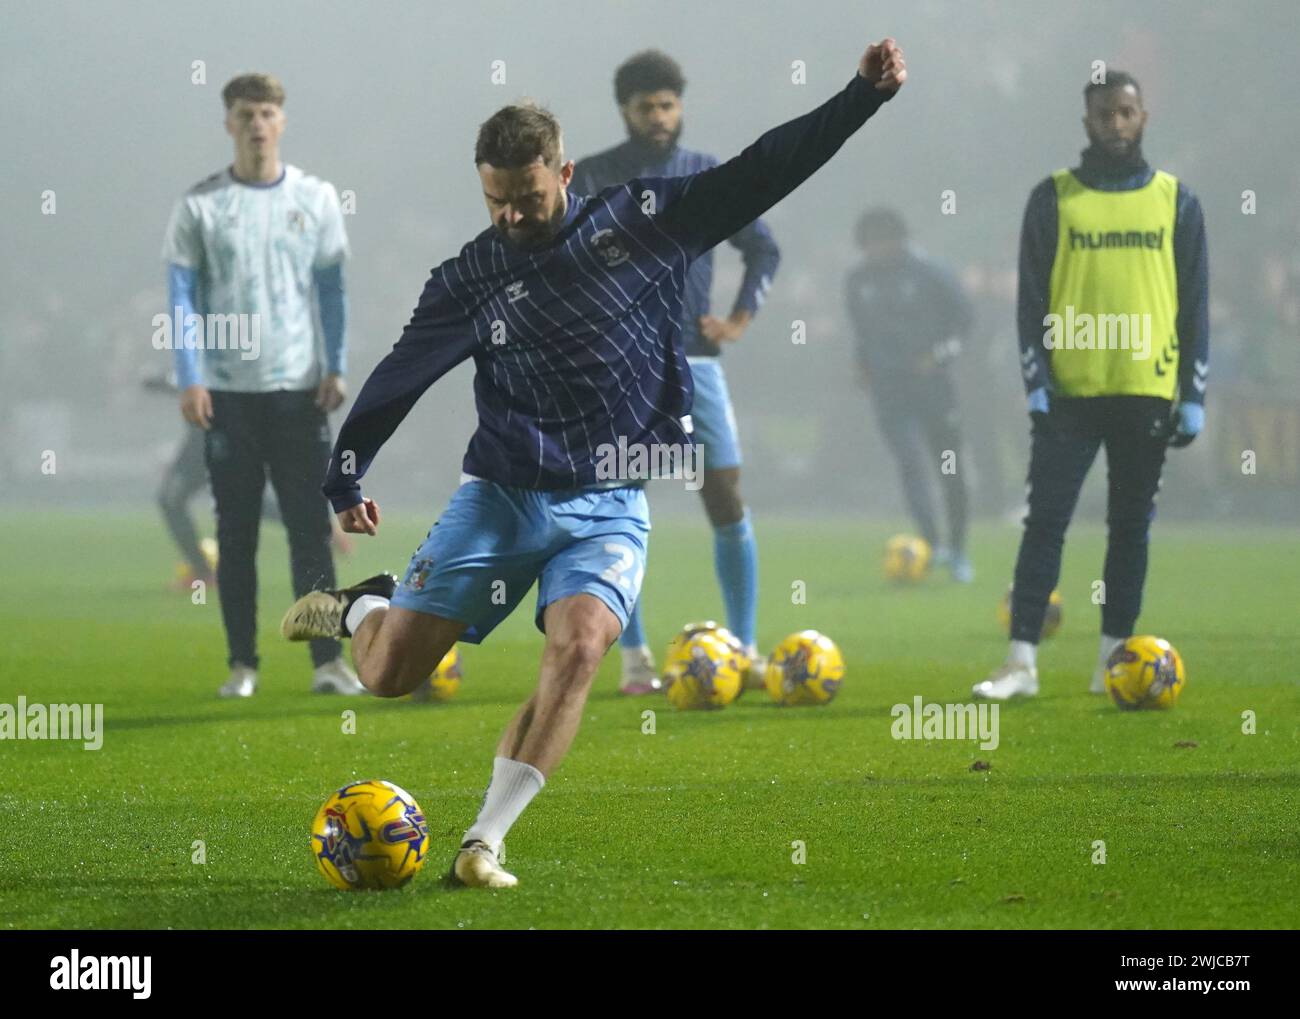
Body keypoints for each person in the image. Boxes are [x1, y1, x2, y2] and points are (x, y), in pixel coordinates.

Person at [280, 39, 907, 887]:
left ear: (564, 173)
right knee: (390, 674)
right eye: (495, 200)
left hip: (610, 498)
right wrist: (346, 475)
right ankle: (360, 610)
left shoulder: (643, 220)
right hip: (501, 497)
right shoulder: (471, 275)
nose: (510, 216)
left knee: (578, 649)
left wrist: (859, 97)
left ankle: (483, 841)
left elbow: (765, 169)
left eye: (526, 198)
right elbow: (402, 372)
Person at [973, 70, 1209, 700]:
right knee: (1044, 523)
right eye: (1104, 115)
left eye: (1126, 113)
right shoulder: (1052, 199)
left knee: (1130, 526)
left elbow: (1195, 305)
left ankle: (1114, 661)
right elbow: (1030, 301)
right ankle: (1020, 662)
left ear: (1143, 117)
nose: (1115, 124)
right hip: (1071, 396)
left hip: (1146, 390)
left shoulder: (1176, 201)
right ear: (1087, 122)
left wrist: (1195, 392)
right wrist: (1036, 382)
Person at [571, 51, 780, 693]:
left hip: (696, 360)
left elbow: (763, 247)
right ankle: (633, 658)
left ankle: (742, 648)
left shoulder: (706, 172)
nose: (659, 117)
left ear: (680, 106)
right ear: (624, 111)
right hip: (622, 365)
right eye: (645, 107)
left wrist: (740, 318)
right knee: (618, 508)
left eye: (667, 105)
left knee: (723, 496)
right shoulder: (595, 176)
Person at [162, 72, 363, 698]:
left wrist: (336, 363)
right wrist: (191, 376)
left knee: (310, 528)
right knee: (236, 533)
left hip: (298, 390)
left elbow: (331, 289)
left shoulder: (316, 197)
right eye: (245, 114)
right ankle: (243, 665)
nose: (257, 124)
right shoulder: (199, 205)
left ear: (282, 121)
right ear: (229, 122)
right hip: (228, 394)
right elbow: (182, 297)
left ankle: (329, 663)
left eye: (267, 113)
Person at [845, 208, 974, 580]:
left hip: (933, 386)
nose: (876, 249)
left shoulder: (931, 273)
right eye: (869, 243)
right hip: (889, 389)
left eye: (882, 241)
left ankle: (959, 549)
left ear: (899, 240)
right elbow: (861, 330)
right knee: (910, 464)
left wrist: (941, 355)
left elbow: (965, 320)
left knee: (949, 466)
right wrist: (861, 364)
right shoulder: (858, 280)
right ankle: (931, 545)